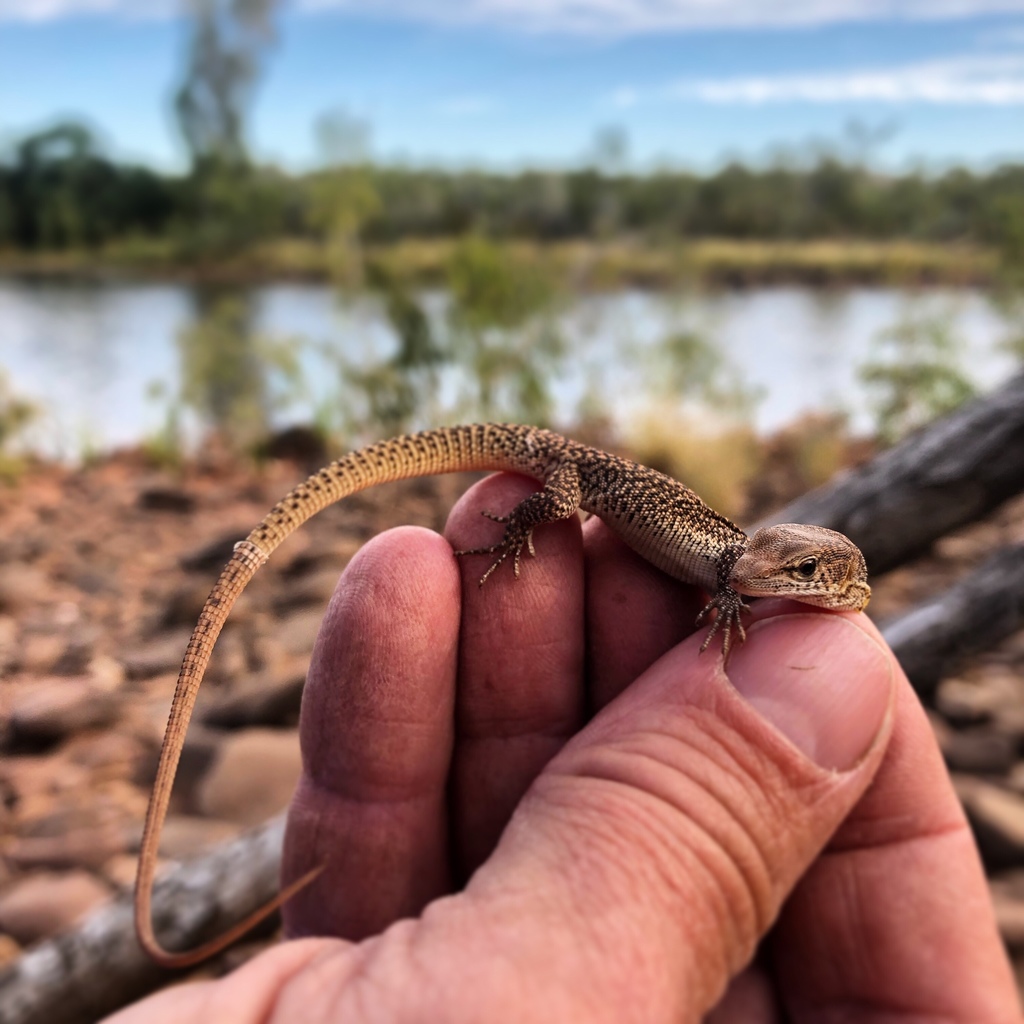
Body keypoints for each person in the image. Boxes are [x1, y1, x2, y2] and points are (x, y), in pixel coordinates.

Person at [107, 474, 1021, 1023]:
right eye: (774, 568)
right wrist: (526, 529)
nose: (759, 578)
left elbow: (740, 579)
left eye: (792, 577)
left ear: (824, 577)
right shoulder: (738, 558)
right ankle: (514, 531)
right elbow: (737, 571)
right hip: (570, 476)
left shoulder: (765, 578)